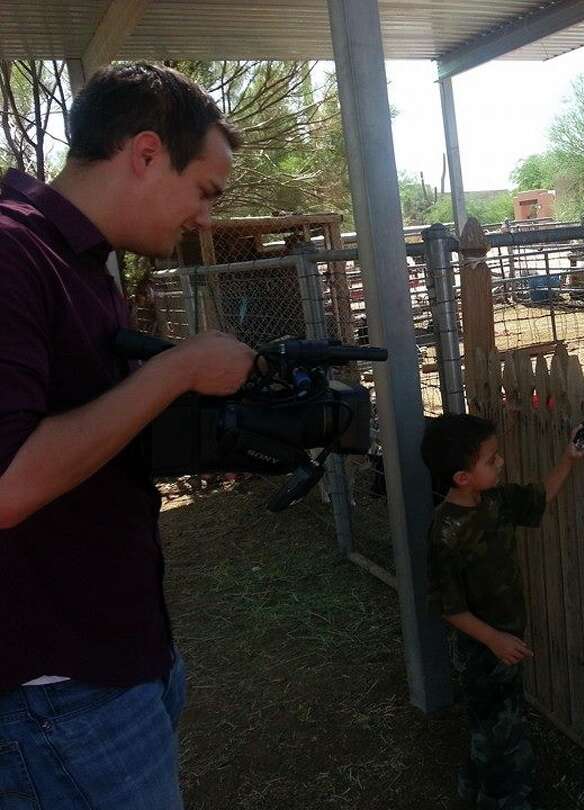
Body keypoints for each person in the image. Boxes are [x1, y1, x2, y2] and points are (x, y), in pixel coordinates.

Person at [0, 63, 253, 809]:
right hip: (55, 693)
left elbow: (89, 430)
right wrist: (177, 371)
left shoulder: (82, 264)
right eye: (204, 190)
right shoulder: (12, 253)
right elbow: (6, 485)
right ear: (145, 153)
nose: (204, 218)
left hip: (118, 654)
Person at [421, 413, 584, 810]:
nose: (501, 462)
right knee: (500, 730)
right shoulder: (446, 531)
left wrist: (568, 458)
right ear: (463, 477)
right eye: (491, 459)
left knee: (495, 723)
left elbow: (538, 498)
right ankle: (504, 798)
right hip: (481, 650)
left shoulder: (494, 500)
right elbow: (449, 607)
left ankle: (474, 784)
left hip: (505, 641)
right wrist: (494, 640)